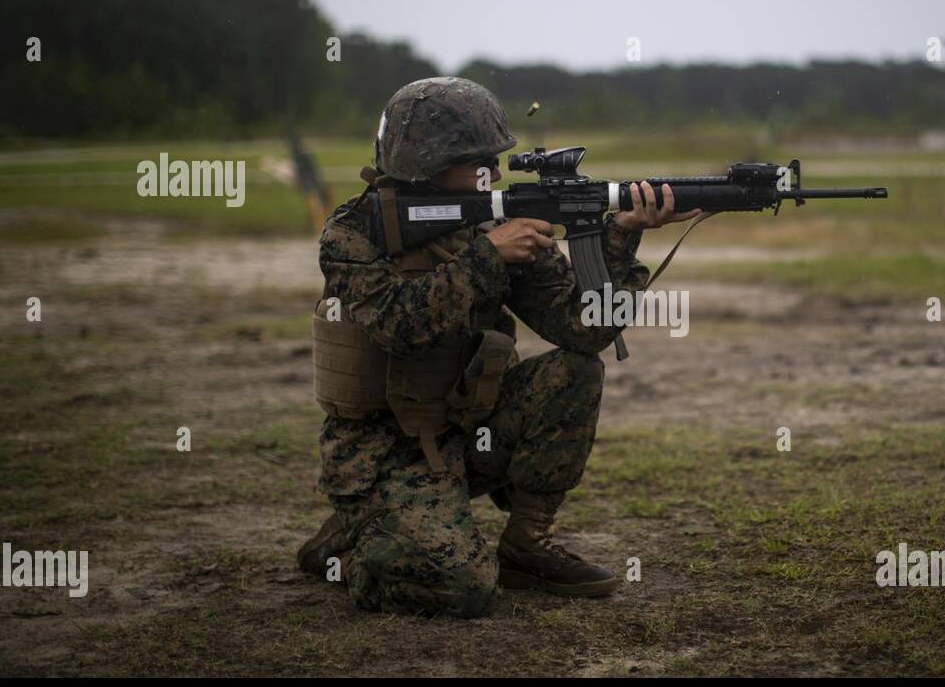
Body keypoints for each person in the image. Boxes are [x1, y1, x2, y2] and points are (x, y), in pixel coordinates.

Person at [296, 77, 698, 617]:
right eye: (479, 162)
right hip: (382, 454)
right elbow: (399, 325)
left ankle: (526, 546)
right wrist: (487, 257)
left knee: (577, 369)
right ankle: (353, 545)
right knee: (462, 590)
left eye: (496, 159)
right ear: (425, 165)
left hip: (469, 432)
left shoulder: (495, 220)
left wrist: (622, 234)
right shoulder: (355, 232)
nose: (497, 174)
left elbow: (584, 329)